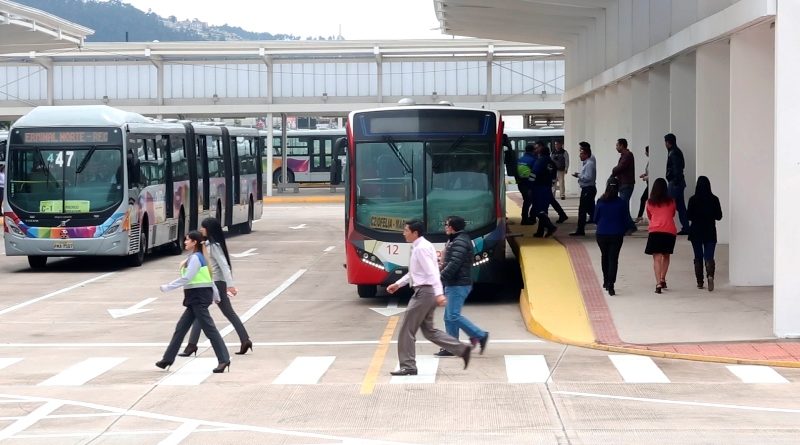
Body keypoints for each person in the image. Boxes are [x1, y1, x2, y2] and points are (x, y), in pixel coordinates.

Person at [387, 219, 471, 376]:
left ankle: (408, 366)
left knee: (406, 330)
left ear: (415, 233)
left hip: (424, 292)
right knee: (429, 331)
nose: (403, 233)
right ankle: (462, 349)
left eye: (406, 230)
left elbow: (432, 272)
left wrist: (439, 293)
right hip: (427, 291)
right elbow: (415, 272)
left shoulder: (421, 249)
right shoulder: (422, 246)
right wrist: (398, 284)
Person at [156, 230, 231, 373]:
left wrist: (168, 287)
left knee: (210, 330)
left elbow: (187, 278)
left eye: (187, 240)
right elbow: (209, 279)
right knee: (180, 329)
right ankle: (167, 359)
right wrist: (216, 296)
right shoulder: (199, 257)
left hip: (198, 298)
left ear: (194, 242)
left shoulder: (196, 258)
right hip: (195, 298)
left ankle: (224, 359)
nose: (185, 242)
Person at [179, 217, 252, 357]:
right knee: (219, 313)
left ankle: (191, 345)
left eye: (203, 227)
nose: (201, 229)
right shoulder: (207, 245)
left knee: (202, 312)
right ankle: (245, 340)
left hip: (216, 283)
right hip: (211, 283)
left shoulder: (214, 246)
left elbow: (224, 265)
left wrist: (230, 285)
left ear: (209, 229)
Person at [434, 216, 489, 357]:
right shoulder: (455, 240)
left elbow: (454, 264)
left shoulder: (460, 241)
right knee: (448, 317)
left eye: (446, 224)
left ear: (452, 227)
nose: (445, 227)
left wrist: (440, 277)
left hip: (458, 284)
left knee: (453, 316)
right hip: (454, 283)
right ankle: (452, 346)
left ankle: (480, 335)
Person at [593, 179, 629, 296]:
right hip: (616, 233)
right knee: (613, 258)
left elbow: (595, 218)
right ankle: (611, 283)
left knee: (604, 256)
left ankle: (605, 280)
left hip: (602, 233)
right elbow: (626, 219)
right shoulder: (621, 203)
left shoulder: (600, 201)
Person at [687, 176, 723, 291]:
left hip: (696, 231)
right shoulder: (714, 199)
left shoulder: (693, 199)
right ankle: (710, 275)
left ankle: (699, 282)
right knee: (709, 256)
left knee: (698, 256)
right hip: (710, 231)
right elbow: (719, 216)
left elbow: (688, 216)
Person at [645, 178, 677, 294]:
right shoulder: (672, 201)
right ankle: (663, 278)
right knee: (666, 256)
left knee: (657, 258)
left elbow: (649, 216)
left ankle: (658, 283)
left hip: (655, 231)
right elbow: (672, 214)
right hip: (669, 231)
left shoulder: (649, 202)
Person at [569, 142, 596, 237]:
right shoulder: (587, 163)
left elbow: (588, 177)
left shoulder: (589, 164)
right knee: (590, 209)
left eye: (581, 153)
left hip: (588, 189)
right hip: (587, 189)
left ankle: (580, 229)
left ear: (586, 154)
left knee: (583, 210)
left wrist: (579, 176)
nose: (579, 155)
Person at [531, 142, 558, 238]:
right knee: (544, 211)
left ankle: (550, 226)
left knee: (536, 210)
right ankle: (540, 231)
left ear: (540, 153)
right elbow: (554, 177)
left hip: (538, 188)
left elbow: (533, 174)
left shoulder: (539, 162)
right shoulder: (552, 163)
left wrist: (529, 186)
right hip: (547, 188)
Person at [665, 133, 689, 234]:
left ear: (668, 142)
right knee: (680, 207)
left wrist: (674, 181)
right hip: (679, 182)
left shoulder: (673, 152)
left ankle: (666, 227)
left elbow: (677, 168)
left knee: (668, 205)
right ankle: (686, 228)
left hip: (675, 183)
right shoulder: (676, 151)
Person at [611, 138, 636, 234]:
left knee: (623, 206)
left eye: (617, 145)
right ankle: (627, 226)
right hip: (624, 183)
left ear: (622, 145)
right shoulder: (624, 155)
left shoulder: (627, 155)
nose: (616, 147)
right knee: (623, 206)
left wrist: (614, 170)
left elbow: (620, 167)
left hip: (626, 184)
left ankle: (630, 226)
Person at [517, 144, 537, 225]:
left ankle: (526, 218)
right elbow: (535, 172)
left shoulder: (520, 159)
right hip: (529, 183)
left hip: (520, 183)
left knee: (527, 200)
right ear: (533, 151)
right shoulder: (534, 160)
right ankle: (527, 219)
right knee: (531, 201)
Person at [634, 146, 649, 224]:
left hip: (651, 185)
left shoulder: (652, 161)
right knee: (644, 199)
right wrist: (644, 175)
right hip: (648, 184)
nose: (645, 153)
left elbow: (653, 173)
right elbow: (649, 172)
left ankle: (640, 216)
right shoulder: (650, 161)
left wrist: (646, 177)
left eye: (646, 151)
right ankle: (640, 216)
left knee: (643, 198)